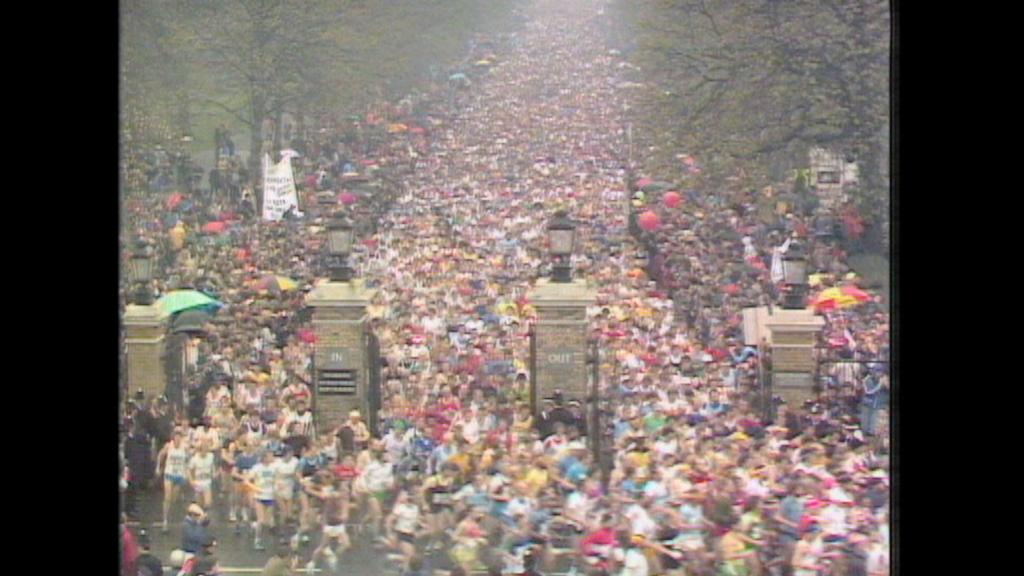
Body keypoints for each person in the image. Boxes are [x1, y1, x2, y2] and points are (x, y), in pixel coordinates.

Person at [157, 430, 190, 533]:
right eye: (176, 438)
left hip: (179, 475)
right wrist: (158, 467)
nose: (177, 440)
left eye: (179, 438)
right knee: (167, 497)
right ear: (173, 438)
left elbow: (188, 459)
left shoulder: (185, 447)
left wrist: (187, 472)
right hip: (169, 474)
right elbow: (160, 455)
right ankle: (165, 521)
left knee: (173, 499)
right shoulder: (168, 446)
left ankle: (169, 513)